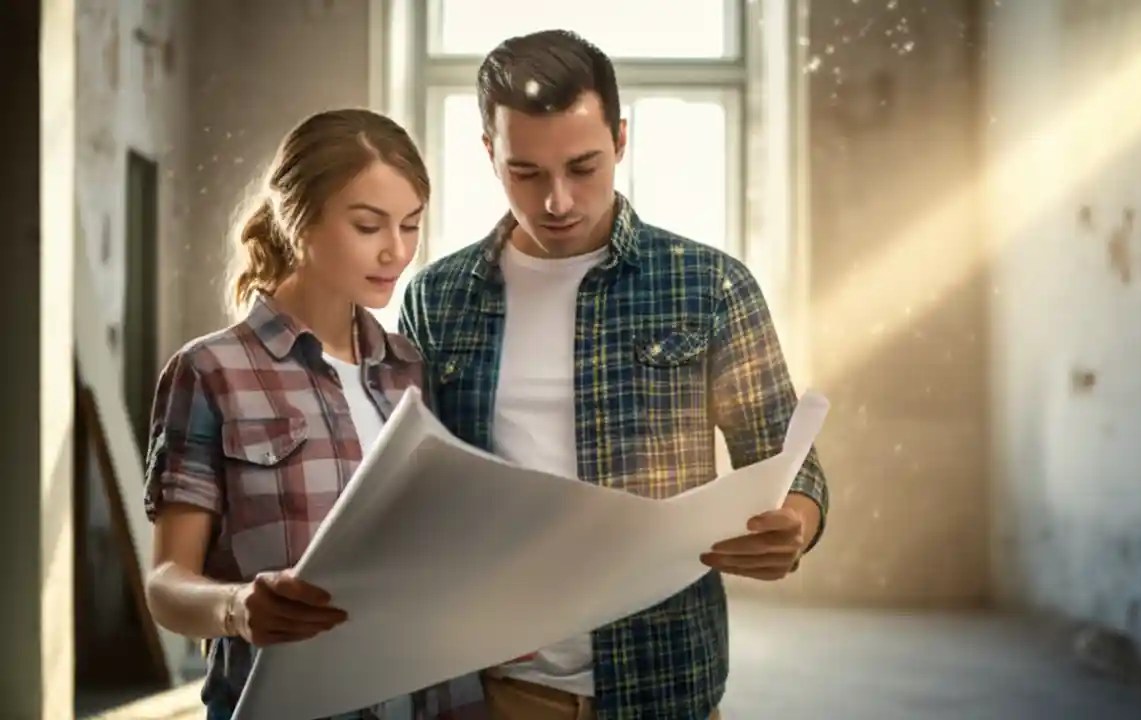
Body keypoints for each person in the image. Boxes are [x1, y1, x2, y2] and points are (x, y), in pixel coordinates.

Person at [398, 30, 830, 720]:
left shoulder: (708, 285)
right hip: (495, 687)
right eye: (527, 173)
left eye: (584, 166)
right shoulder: (437, 299)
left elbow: (788, 456)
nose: (558, 201)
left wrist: (794, 526)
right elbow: (408, 482)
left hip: (665, 678)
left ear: (621, 140)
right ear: (488, 153)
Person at [142, 109, 486, 720]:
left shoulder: (410, 366)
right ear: (299, 220)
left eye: (410, 226)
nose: (396, 251)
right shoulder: (211, 371)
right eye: (367, 225)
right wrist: (240, 607)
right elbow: (166, 583)